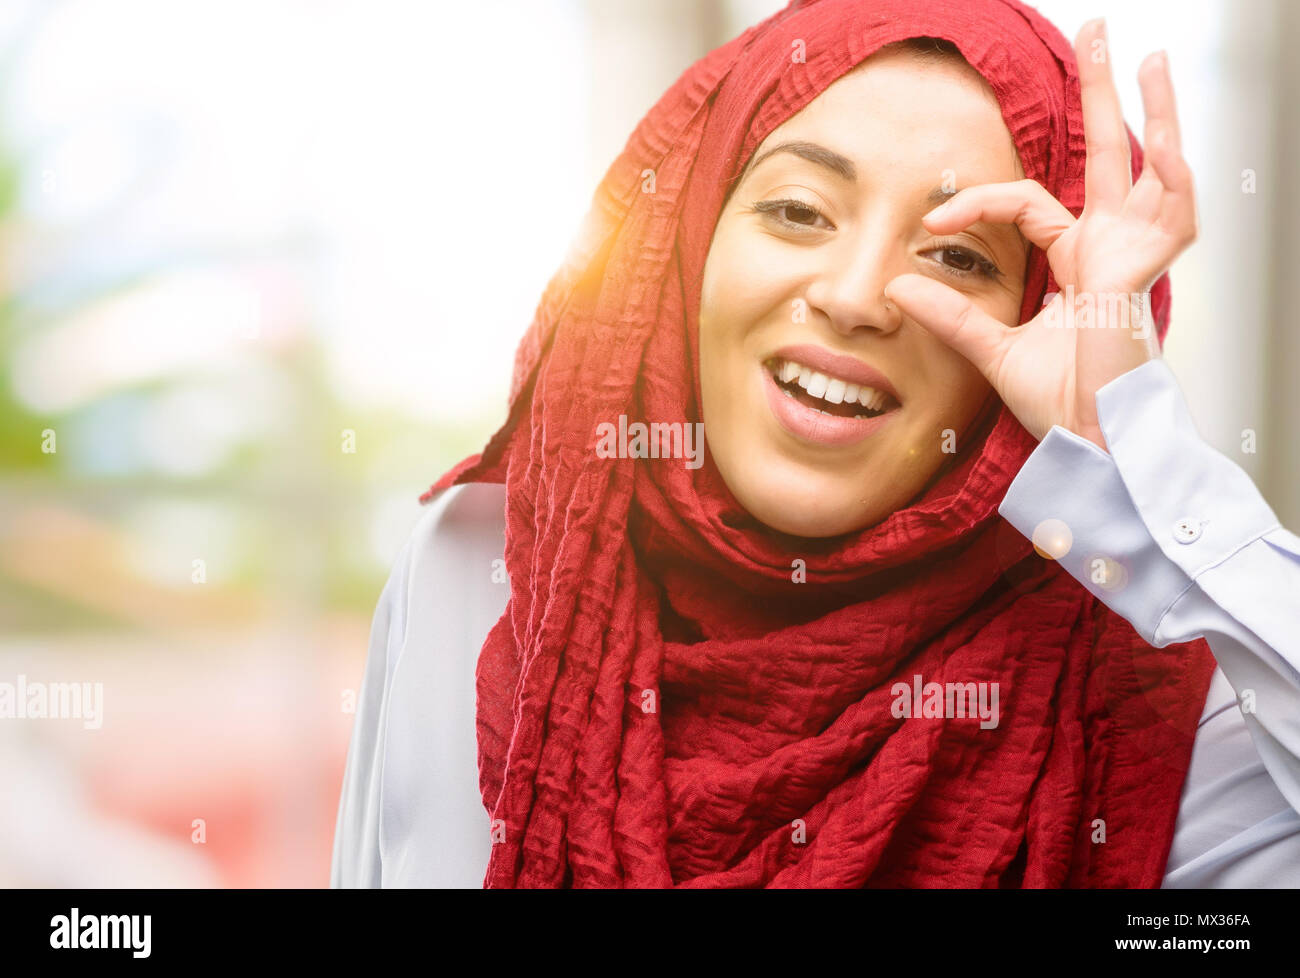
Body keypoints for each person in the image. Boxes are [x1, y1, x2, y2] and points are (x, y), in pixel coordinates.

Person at [331, 0, 1300, 888]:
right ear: (684, 239)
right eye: (797, 212)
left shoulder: (1175, 700)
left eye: (959, 257)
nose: (851, 295)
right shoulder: (474, 570)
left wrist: (1129, 458)